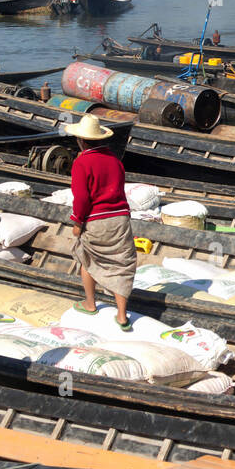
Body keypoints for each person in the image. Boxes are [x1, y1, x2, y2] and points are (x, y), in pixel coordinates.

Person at [65, 113, 136, 330]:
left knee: (88, 260)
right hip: (120, 220)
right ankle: (122, 316)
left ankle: (90, 303)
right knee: (122, 265)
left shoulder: (81, 162)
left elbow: (83, 199)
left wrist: (77, 223)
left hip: (96, 220)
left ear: (81, 140)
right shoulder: (115, 161)